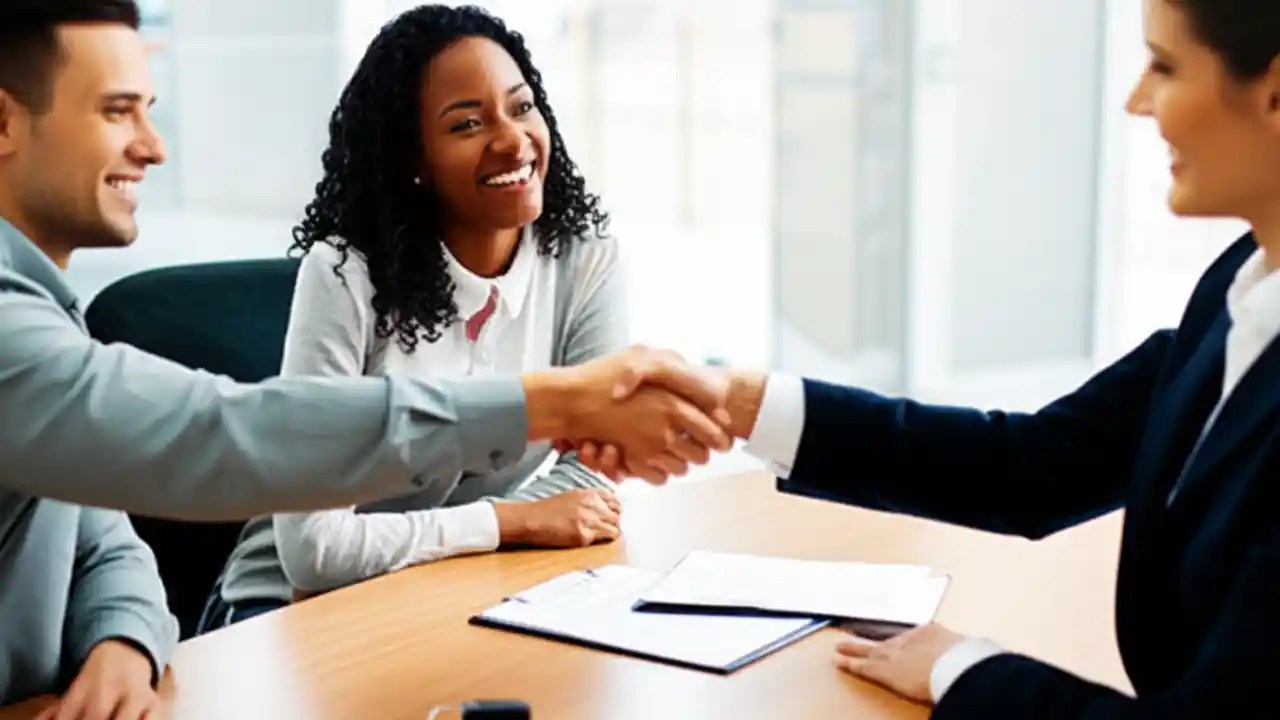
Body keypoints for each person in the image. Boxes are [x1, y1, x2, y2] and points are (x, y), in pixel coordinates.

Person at [0, 0, 728, 712]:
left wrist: (122, 641)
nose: (156, 146)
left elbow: (106, 540)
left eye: (148, 108)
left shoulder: (48, 312)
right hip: (300, 620)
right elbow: (230, 437)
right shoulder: (14, 335)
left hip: (441, 594)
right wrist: (550, 412)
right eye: (117, 110)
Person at [595, 0, 1280, 716]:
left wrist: (965, 668)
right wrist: (740, 405)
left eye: (1164, 66)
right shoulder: (1239, 286)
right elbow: (1030, 464)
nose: (1138, 102)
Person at [200, 5, 640, 632]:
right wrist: (509, 523)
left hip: (451, 590)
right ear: (414, 158)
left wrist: (490, 537)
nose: (512, 139)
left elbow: (594, 473)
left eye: (521, 108)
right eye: (467, 124)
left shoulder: (584, 261)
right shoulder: (345, 277)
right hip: (282, 612)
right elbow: (313, 550)